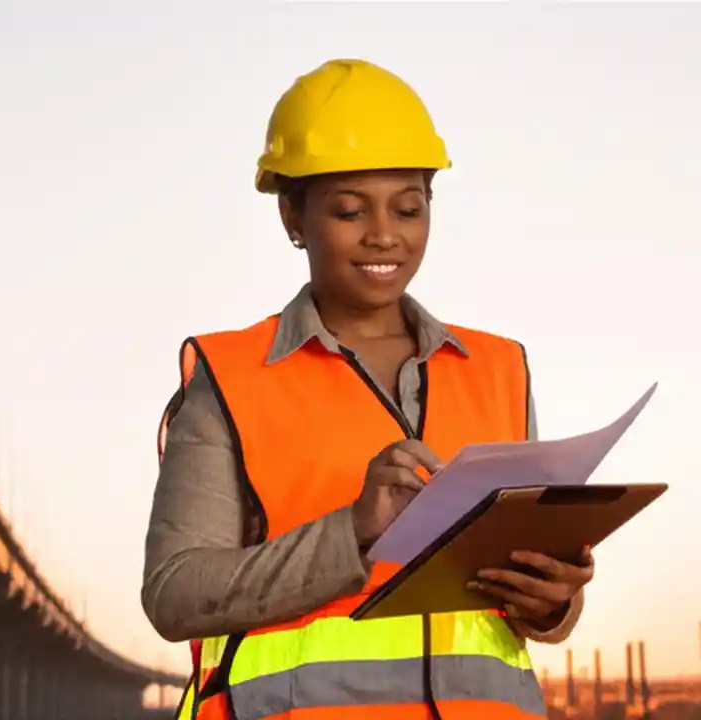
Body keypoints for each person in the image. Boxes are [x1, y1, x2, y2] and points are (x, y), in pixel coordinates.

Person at [143, 58, 596, 720]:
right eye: (350, 209)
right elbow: (177, 594)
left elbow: (516, 618)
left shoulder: (498, 368)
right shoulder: (231, 378)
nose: (385, 234)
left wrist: (555, 600)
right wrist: (354, 530)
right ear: (291, 216)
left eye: (409, 207)